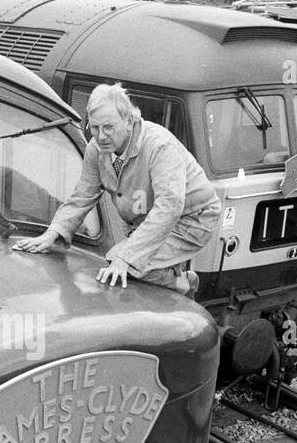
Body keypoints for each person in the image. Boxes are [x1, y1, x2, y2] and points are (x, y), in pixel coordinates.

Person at [14, 83, 220, 296]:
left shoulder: (159, 146)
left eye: (108, 127)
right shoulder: (97, 148)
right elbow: (83, 195)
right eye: (94, 128)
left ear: (129, 121)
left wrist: (126, 257)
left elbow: (169, 208)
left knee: (123, 260)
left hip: (192, 219)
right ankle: (173, 275)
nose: (101, 136)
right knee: (127, 260)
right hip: (148, 219)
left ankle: (183, 285)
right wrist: (53, 232)